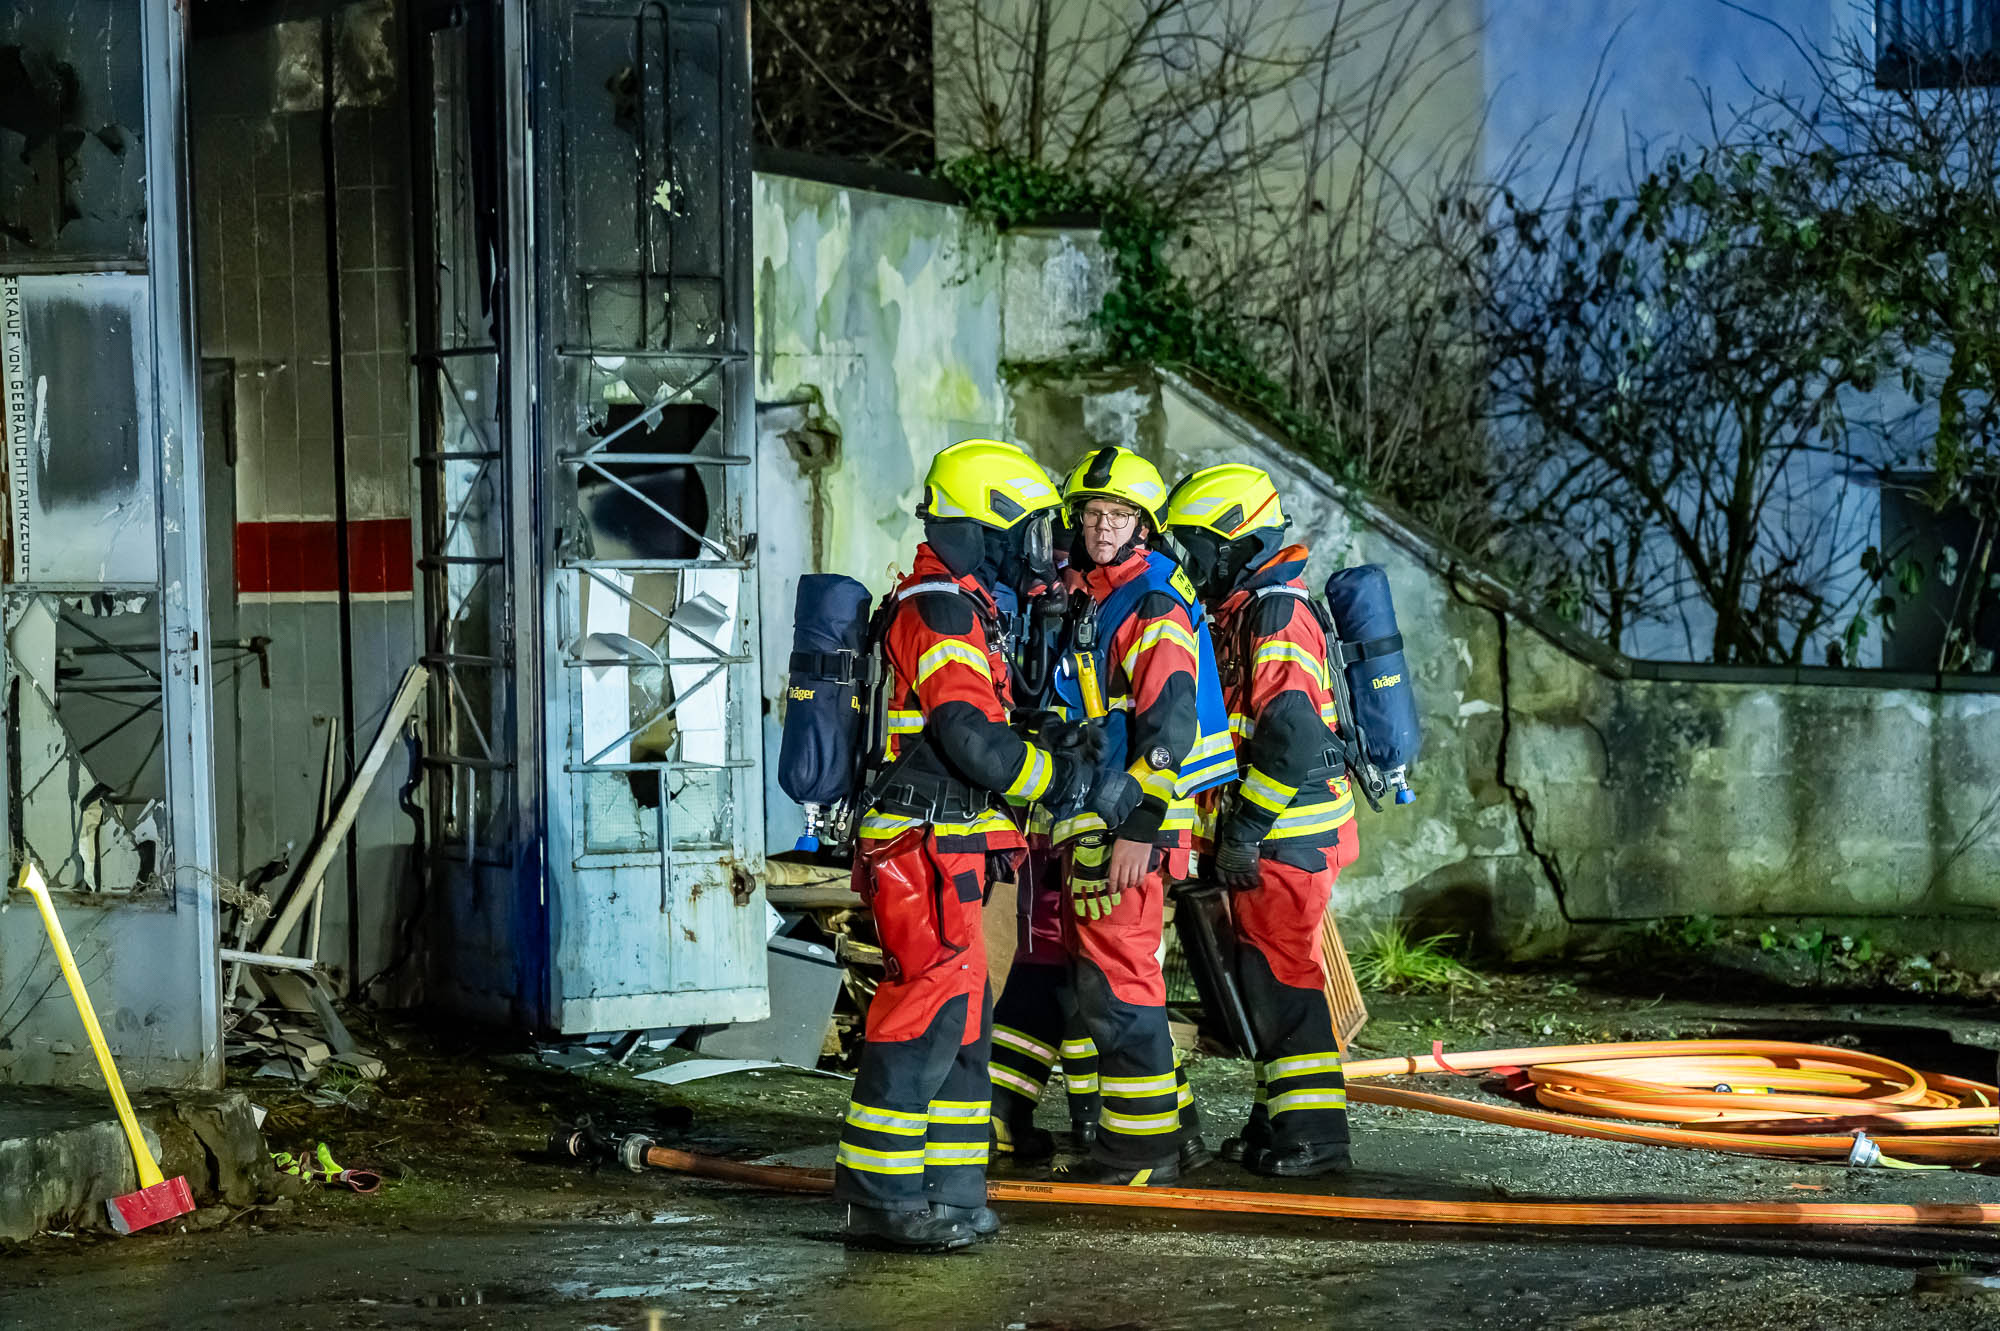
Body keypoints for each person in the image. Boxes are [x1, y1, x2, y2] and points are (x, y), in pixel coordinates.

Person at [833, 439, 1117, 1249]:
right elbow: (968, 735)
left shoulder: (968, 604)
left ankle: (953, 1192)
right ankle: (880, 1196)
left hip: (956, 841)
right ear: (983, 523)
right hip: (925, 843)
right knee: (922, 1013)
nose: (1040, 553)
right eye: (1026, 532)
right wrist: (1057, 780)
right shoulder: (939, 607)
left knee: (963, 1024)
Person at [1043, 446, 1236, 1185]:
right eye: (1091, 513)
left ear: (1144, 526)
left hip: (1132, 812)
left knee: (1119, 982)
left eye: (1117, 515)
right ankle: (1172, 1137)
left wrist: (1140, 824)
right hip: (1108, 806)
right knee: (1116, 978)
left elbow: (1170, 721)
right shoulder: (1103, 591)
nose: (1100, 527)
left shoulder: (1149, 596)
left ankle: (1139, 1151)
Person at [1165, 463, 1358, 1178]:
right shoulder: (1251, 606)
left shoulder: (1274, 612)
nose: (1191, 561)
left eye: (1197, 544)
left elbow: (1292, 733)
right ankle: (1277, 1122)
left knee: (1284, 980)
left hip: (1284, 833)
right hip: (1276, 830)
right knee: (1261, 982)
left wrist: (1242, 831)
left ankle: (1315, 1137)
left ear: (1233, 537)